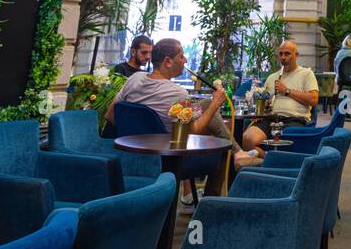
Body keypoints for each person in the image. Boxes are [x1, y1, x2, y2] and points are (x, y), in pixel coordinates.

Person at [105, 38, 237, 194]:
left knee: (205, 104)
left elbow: (110, 115)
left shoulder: (134, 79)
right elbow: (192, 131)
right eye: (181, 56)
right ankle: (209, 206)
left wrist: (137, 136)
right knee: (222, 147)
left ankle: (239, 152)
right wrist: (216, 103)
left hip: (133, 155)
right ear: (168, 61)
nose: (185, 60)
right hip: (168, 159)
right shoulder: (178, 93)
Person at [242, 40, 319, 150]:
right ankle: (267, 158)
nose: (283, 57)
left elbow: (313, 99)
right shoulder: (272, 77)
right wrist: (264, 107)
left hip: (294, 119)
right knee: (247, 139)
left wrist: (287, 91)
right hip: (270, 118)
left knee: (284, 145)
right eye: (281, 54)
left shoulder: (306, 74)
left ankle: (267, 158)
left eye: (287, 54)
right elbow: (265, 101)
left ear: (296, 55)